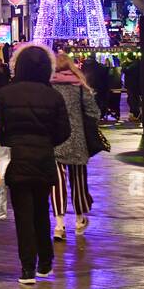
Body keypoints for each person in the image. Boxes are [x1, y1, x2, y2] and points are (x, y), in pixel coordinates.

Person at [0, 43, 71, 284]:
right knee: (41, 211)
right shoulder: (53, 95)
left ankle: (27, 267)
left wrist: (7, 142)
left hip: (17, 159)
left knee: (23, 215)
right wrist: (47, 142)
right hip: (43, 158)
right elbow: (64, 131)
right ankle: (46, 263)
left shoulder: (6, 94)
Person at [50, 51, 98, 242]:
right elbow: (94, 112)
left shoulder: (49, 87)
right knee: (78, 180)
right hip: (77, 140)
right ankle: (79, 220)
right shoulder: (80, 87)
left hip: (55, 139)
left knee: (57, 183)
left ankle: (59, 224)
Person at [125, 56, 142, 121]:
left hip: (132, 86)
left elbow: (125, 70)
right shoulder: (138, 64)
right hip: (136, 86)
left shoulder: (134, 65)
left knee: (132, 101)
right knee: (133, 100)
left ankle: (135, 115)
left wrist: (124, 65)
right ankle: (135, 115)